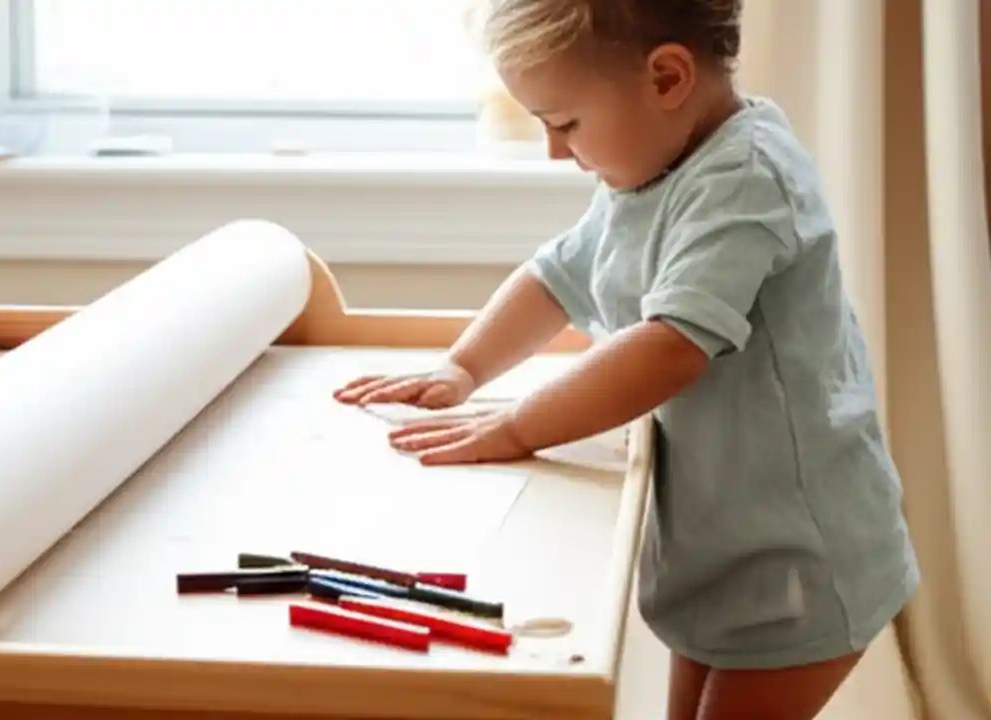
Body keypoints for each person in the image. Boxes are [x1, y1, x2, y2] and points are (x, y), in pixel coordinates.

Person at [332, 1, 920, 717]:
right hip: (721, 544)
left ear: (667, 77)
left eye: (566, 123)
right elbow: (557, 275)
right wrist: (463, 368)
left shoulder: (746, 176)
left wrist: (516, 427)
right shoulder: (646, 171)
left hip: (798, 554)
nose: (556, 150)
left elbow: (669, 349)